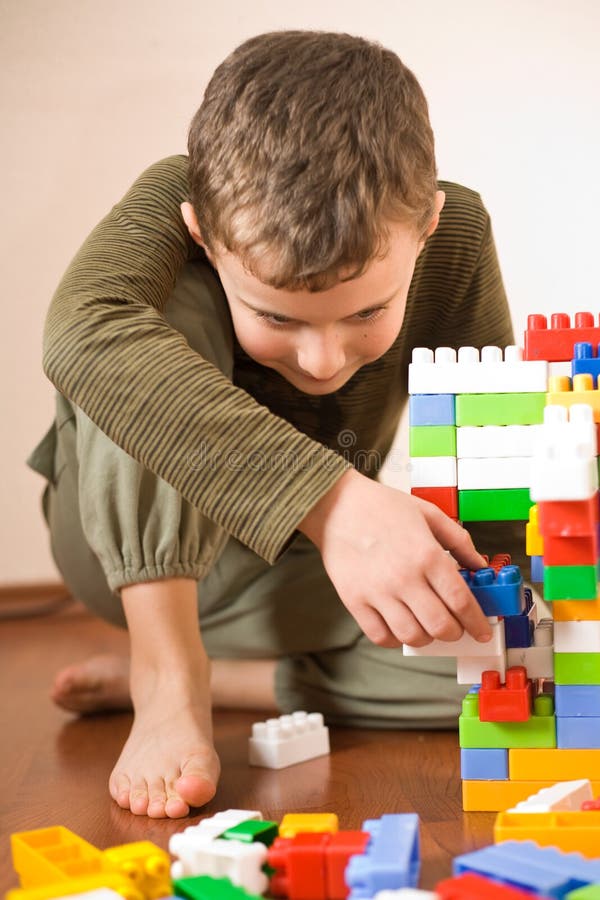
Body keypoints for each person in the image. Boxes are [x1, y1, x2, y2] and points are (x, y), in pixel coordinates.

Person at [27, 30, 517, 820]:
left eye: (366, 312)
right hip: (127, 550)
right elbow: (83, 332)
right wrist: (331, 500)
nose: (323, 359)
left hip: (297, 578)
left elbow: (486, 442)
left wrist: (508, 592)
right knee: (152, 315)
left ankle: (236, 678)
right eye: (276, 316)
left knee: (528, 668)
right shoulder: (173, 202)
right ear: (202, 227)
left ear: (424, 224)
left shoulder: (454, 233)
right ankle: (167, 675)